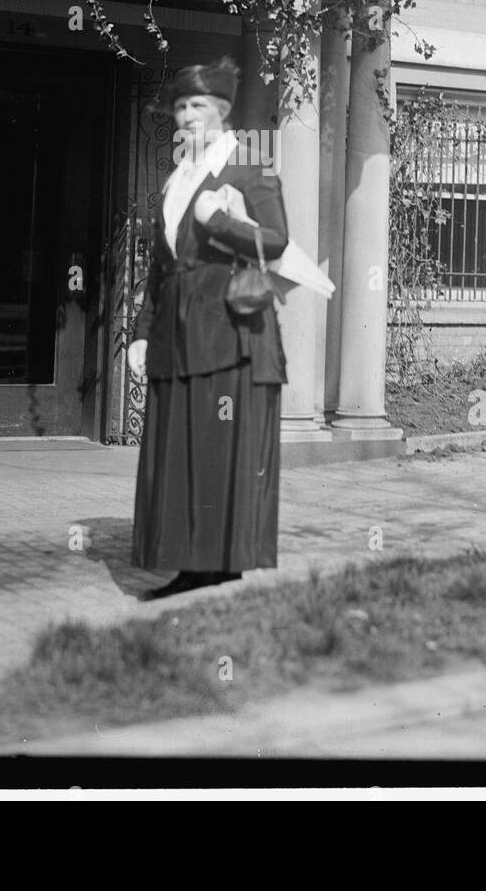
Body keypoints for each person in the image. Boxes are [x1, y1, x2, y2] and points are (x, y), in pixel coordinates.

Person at [127, 57, 289, 600]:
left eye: (197, 105)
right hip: (177, 332)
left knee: (218, 444)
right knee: (179, 445)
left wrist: (216, 221)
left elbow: (278, 242)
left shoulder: (249, 167)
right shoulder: (178, 177)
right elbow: (159, 267)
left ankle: (218, 563)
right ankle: (190, 560)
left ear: (221, 110)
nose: (186, 115)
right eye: (179, 106)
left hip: (229, 334)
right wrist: (142, 331)